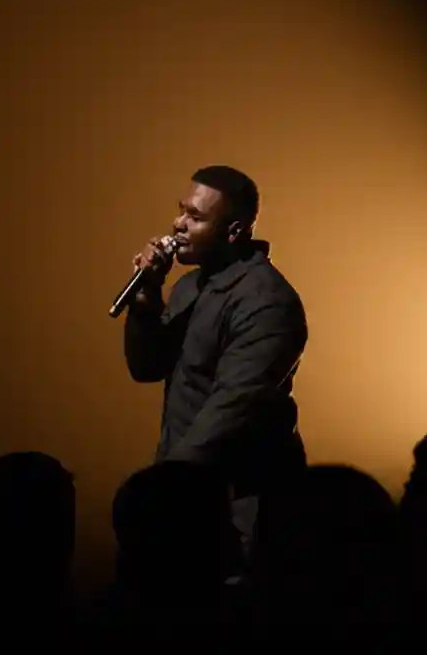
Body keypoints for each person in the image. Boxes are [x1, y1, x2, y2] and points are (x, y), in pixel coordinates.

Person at [123, 164, 308, 567]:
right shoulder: (189, 286)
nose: (178, 224)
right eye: (181, 210)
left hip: (240, 503)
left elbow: (234, 407)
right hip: (189, 492)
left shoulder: (266, 300)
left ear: (235, 230)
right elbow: (147, 366)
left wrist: (163, 486)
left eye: (196, 216)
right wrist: (147, 301)